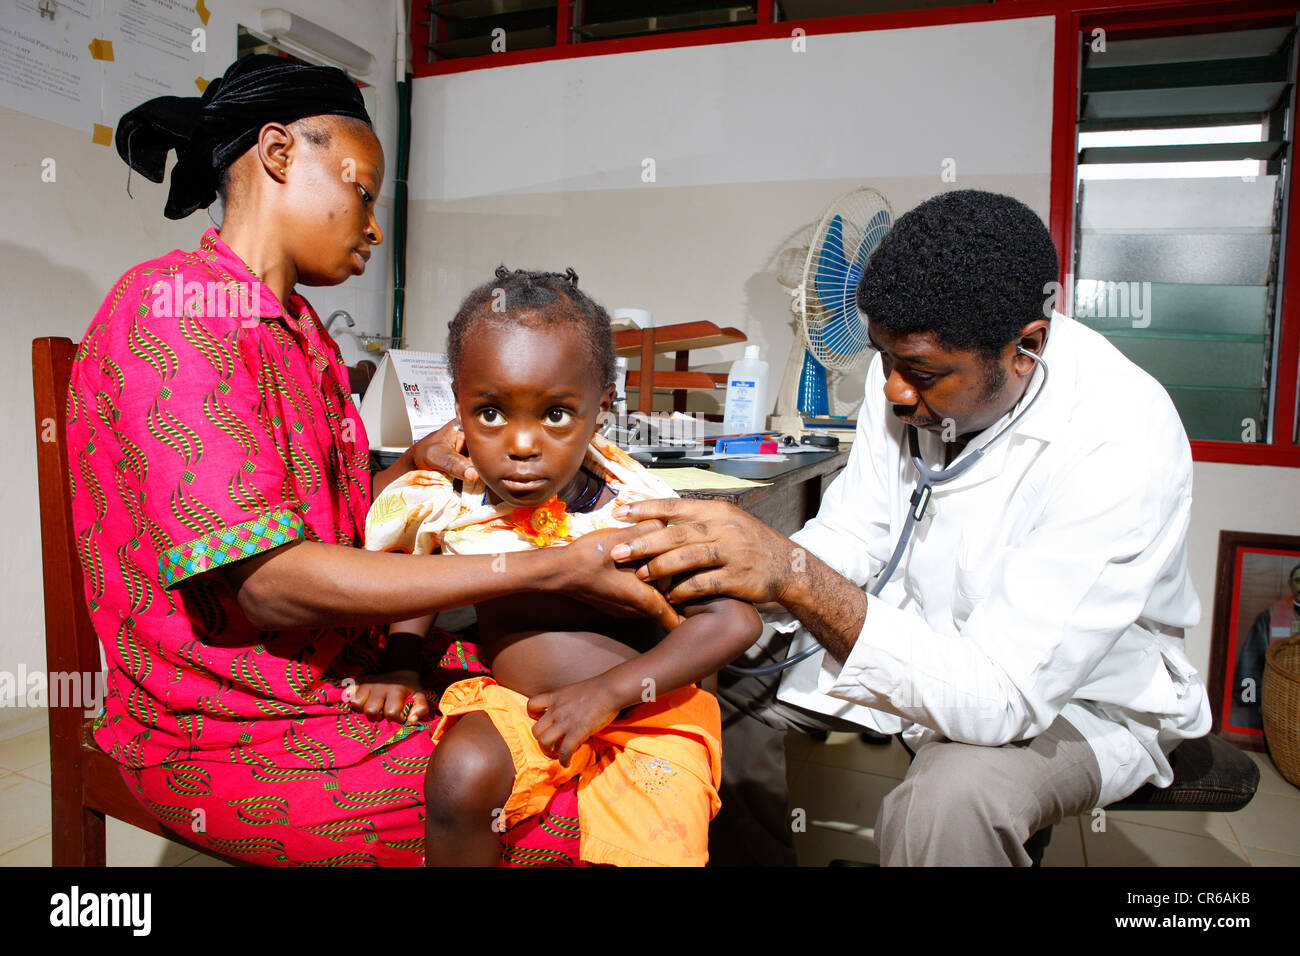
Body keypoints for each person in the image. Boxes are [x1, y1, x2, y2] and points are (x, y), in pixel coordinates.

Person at [68, 54, 675, 867]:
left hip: (336, 667)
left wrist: (410, 473)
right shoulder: (176, 309)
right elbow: (272, 585)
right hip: (230, 720)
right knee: (595, 804)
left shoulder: (300, 333)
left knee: (639, 698)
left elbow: (336, 525)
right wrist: (541, 567)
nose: (374, 226)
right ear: (280, 154)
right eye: (362, 190)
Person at [599, 190, 1214, 865]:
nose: (892, 390)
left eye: (919, 372)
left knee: (952, 802)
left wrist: (788, 573)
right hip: (923, 634)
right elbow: (856, 535)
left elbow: (1002, 697)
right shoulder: (903, 378)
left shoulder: (1118, 439)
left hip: (1079, 695)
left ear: (1024, 349)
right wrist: (738, 580)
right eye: (884, 360)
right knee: (712, 662)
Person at [364, 267, 763, 866]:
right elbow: (418, 572)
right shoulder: (455, 501)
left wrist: (607, 692)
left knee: (659, 845)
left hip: (645, 711)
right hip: (522, 706)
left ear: (601, 408)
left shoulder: (636, 513)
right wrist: (399, 666)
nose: (521, 444)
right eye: (492, 413)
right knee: (458, 775)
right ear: (458, 406)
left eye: (555, 414)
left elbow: (734, 623)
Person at [1230, 563, 1300, 729]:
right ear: (1290, 583)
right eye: (1298, 580)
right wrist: (1253, 699)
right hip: (1277, 700)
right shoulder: (1269, 617)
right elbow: (1251, 662)